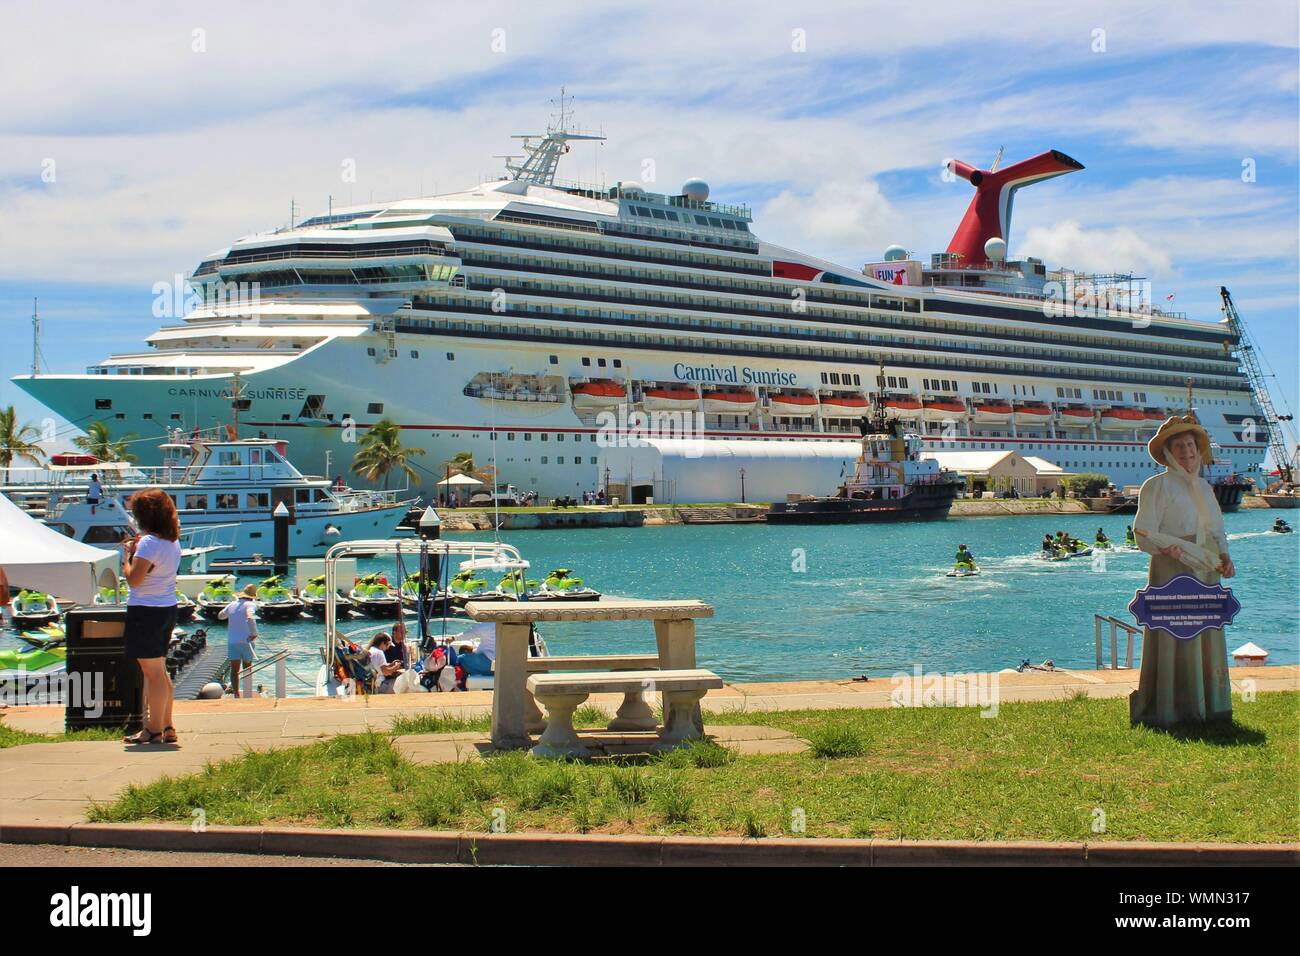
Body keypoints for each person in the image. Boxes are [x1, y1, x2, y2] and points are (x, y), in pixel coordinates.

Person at [1130, 416, 1234, 728]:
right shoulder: (1156, 486)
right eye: (1179, 446)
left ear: (1198, 450)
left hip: (1206, 566)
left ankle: (1211, 706)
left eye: (1191, 445)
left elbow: (1216, 528)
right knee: (1174, 631)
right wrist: (1165, 549)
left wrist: (1225, 556)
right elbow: (1142, 530)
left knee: (1205, 632)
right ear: (1168, 453)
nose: (1187, 451)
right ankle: (1171, 707)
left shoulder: (1204, 487)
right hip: (1172, 566)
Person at [121, 489, 183, 745]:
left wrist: (126, 558)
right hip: (166, 607)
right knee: (160, 670)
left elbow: (134, 580)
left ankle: (153, 729)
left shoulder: (148, 543)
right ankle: (166, 725)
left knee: (152, 673)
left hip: (145, 610)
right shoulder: (171, 542)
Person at [218, 583, 258, 696]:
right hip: (247, 641)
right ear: (252, 596)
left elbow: (220, 616)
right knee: (247, 668)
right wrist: (254, 633)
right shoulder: (250, 604)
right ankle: (247, 693)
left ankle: (236, 694)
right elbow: (250, 616)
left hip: (233, 641)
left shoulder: (232, 604)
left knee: (234, 670)